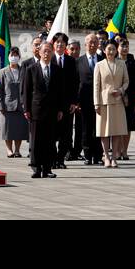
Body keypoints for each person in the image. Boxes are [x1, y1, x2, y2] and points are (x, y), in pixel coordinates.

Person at [22, 36, 69, 178]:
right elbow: (26, 90)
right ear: (39, 52)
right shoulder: (31, 69)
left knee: (49, 141)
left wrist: (61, 109)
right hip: (36, 110)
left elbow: (61, 91)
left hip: (52, 111)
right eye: (45, 51)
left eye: (49, 51)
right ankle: (36, 167)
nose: (47, 54)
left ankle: (47, 168)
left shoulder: (57, 70)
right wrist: (26, 109)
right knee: (36, 141)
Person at [94, 38, 129, 168]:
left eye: (113, 49)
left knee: (116, 130)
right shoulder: (99, 65)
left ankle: (114, 157)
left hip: (118, 101)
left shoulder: (122, 64)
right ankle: (106, 157)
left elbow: (126, 81)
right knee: (104, 131)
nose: (111, 51)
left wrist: (120, 90)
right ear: (104, 50)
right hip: (104, 102)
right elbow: (96, 85)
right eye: (109, 49)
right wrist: (96, 103)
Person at [48, 34, 80, 170]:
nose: (60, 45)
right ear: (53, 44)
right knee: (52, 133)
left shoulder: (71, 61)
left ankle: (60, 159)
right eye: (57, 42)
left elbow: (75, 83)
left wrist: (74, 102)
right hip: (52, 104)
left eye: (62, 43)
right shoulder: (49, 59)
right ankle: (53, 158)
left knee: (66, 135)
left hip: (67, 104)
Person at [76, 33, 103, 165]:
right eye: (90, 42)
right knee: (86, 128)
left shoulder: (102, 59)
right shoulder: (79, 61)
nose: (92, 45)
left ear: (98, 44)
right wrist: (76, 101)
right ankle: (87, 154)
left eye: (95, 42)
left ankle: (98, 155)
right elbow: (75, 83)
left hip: (100, 100)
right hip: (84, 100)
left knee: (99, 128)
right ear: (85, 45)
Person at [0, 46, 29, 157]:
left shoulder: (23, 71)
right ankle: (9, 150)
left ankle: (17, 150)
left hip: (21, 105)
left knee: (19, 129)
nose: (14, 57)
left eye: (16, 55)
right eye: (12, 55)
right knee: (8, 129)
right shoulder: (3, 72)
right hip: (7, 105)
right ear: (8, 57)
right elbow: (0, 90)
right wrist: (0, 105)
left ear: (19, 57)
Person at [117, 36, 135, 160]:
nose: (125, 48)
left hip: (130, 98)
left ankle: (125, 150)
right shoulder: (114, 60)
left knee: (129, 126)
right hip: (117, 97)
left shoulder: (132, 62)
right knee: (118, 125)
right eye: (122, 46)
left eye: (126, 46)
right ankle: (117, 150)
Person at [65, 39, 84, 160]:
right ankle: (68, 150)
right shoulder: (65, 62)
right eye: (72, 49)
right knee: (67, 128)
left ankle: (77, 151)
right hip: (68, 101)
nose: (74, 51)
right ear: (67, 49)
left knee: (80, 128)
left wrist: (79, 101)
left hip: (81, 100)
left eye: (77, 49)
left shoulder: (83, 62)